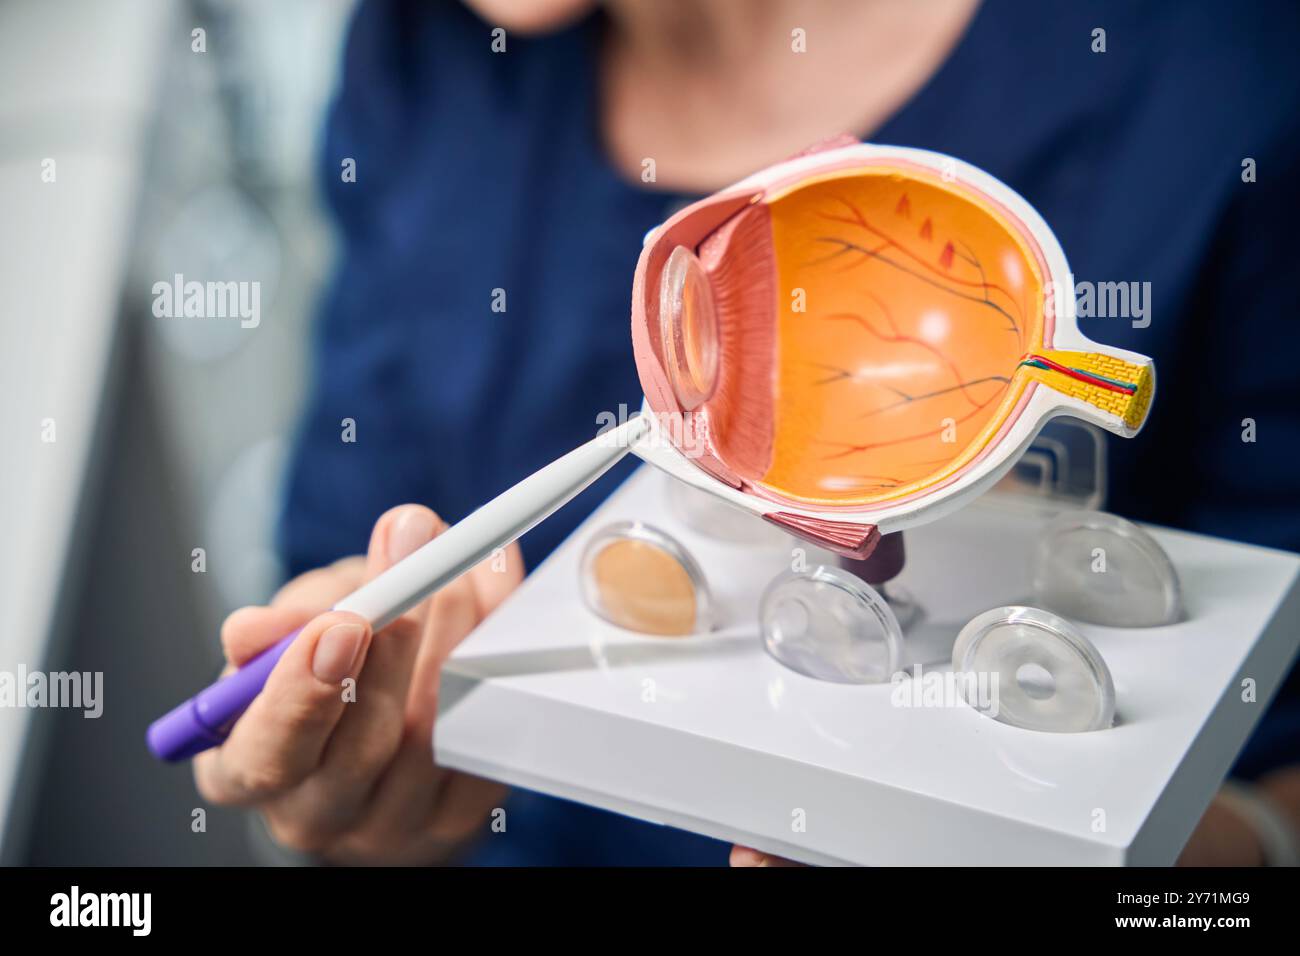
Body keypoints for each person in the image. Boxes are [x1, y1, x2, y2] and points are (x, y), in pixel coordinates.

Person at [194, 0, 1300, 865]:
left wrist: (1160, 857)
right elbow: (349, 579)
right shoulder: (418, 61)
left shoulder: (1215, 80)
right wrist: (377, 800)